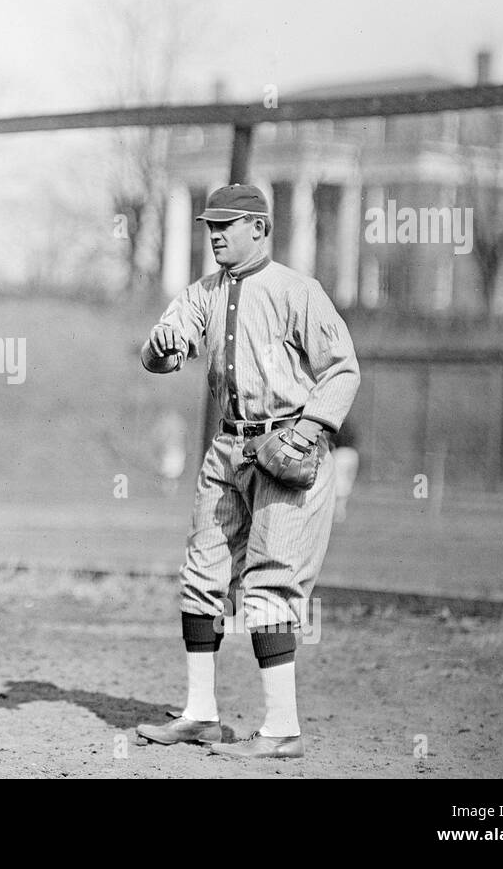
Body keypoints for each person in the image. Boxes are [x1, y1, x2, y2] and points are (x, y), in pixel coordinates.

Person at [134, 184, 360, 759]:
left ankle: (281, 730)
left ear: (259, 228)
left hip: (287, 446)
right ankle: (200, 715)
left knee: (270, 582)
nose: (215, 234)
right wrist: (162, 346)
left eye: (226, 224)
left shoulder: (296, 291)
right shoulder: (202, 293)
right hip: (228, 447)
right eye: (211, 224)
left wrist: (308, 432)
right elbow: (163, 352)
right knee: (201, 572)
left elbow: (342, 370)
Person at [329, 419, 360, 522]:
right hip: (345, 484)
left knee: (334, 505)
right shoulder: (352, 454)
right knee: (340, 505)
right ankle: (339, 515)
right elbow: (352, 472)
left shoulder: (335, 453)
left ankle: (336, 516)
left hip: (333, 483)